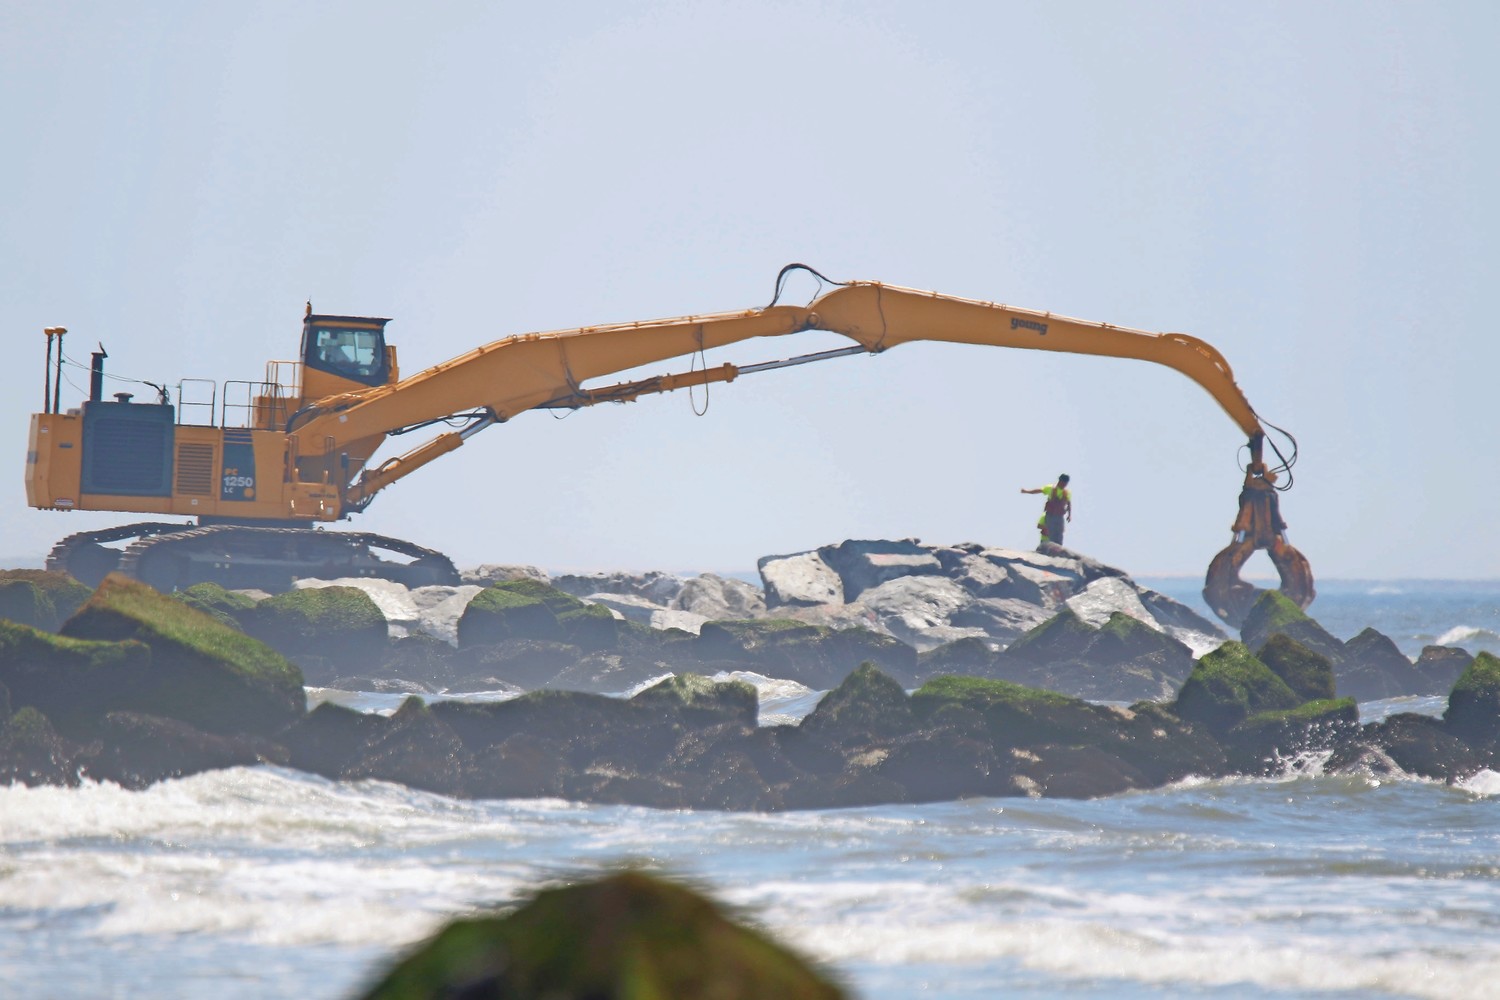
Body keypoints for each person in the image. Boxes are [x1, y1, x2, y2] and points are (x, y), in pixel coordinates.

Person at [1021, 474, 1072, 546]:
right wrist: (1027, 491)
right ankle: (1049, 547)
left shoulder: (1067, 492)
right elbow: (1039, 490)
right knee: (1051, 531)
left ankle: (1058, 548)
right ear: (1060, 481)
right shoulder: (1051, 488)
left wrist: (1069, 515)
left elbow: (1069, 503)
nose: (1064, 484)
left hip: (1060, 516)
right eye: (1063, 482)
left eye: (1065, 483)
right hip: (1051, 515)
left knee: (1059, 532)